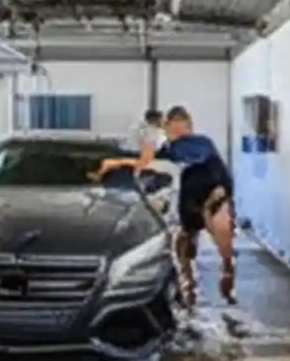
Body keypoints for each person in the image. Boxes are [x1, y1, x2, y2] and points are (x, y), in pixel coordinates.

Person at [97, 105, 236, 306]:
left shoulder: (199, 143)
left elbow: (173, 158)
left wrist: (118, 161)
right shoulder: (169, 148)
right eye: (173, 126)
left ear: (188, 126)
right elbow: (147, 161)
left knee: (222, 237)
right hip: (188, 201)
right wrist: (121, 159)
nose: (176, 130)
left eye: (182, 125)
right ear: (167, 126)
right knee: (183, 244)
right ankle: (188, 289)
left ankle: (227, 273)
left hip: (214, 196)